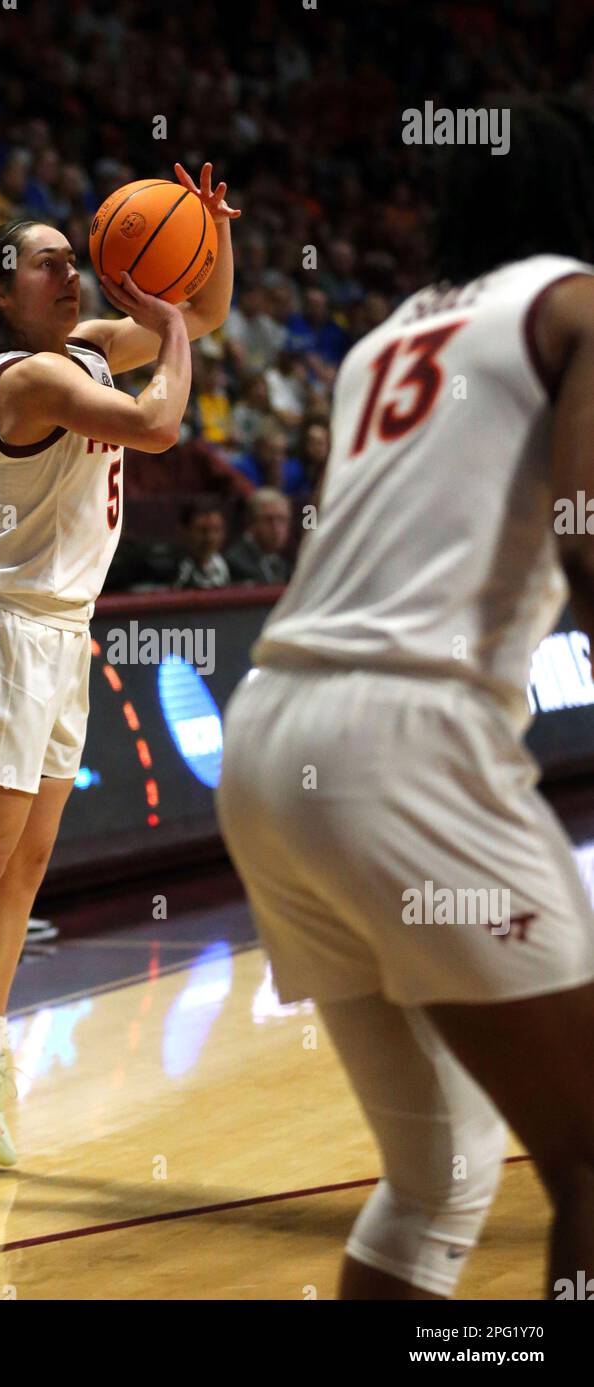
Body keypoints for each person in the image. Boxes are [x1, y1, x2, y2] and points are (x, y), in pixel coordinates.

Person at [216, 96, 594, 1301]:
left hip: (272, 735)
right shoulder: (577, 304)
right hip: (404, 738)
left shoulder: (382, 339)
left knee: (436, 1179)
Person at [0, 162, 239, 1200]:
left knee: (24, 871)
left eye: (78, 260)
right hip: (0, 639)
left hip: (63, 642)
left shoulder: (76, 349)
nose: (73, 274)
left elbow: (199, 314)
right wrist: (160, 322)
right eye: (50, 263)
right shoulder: (20, 378)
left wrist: (207, 233)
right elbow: (160, 420)